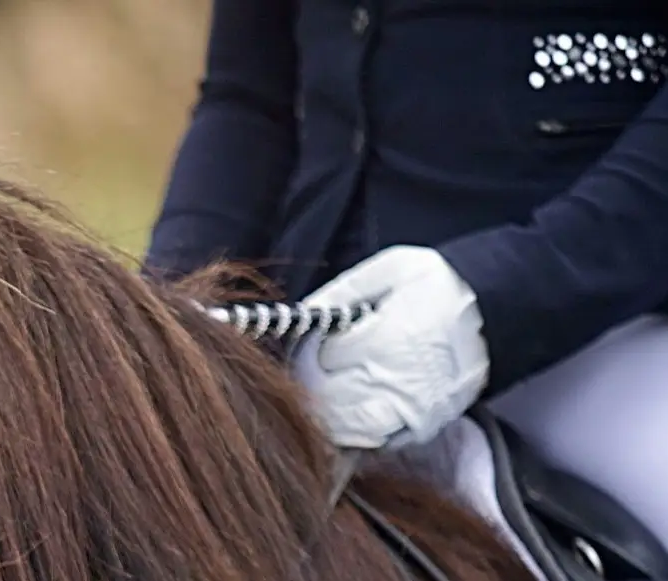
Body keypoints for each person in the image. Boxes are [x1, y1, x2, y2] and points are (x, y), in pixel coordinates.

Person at [146, 2, 668, 543]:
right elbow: (251, 100)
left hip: (614, 345)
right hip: (312, 342)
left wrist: (494, 301)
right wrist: (175, 316)